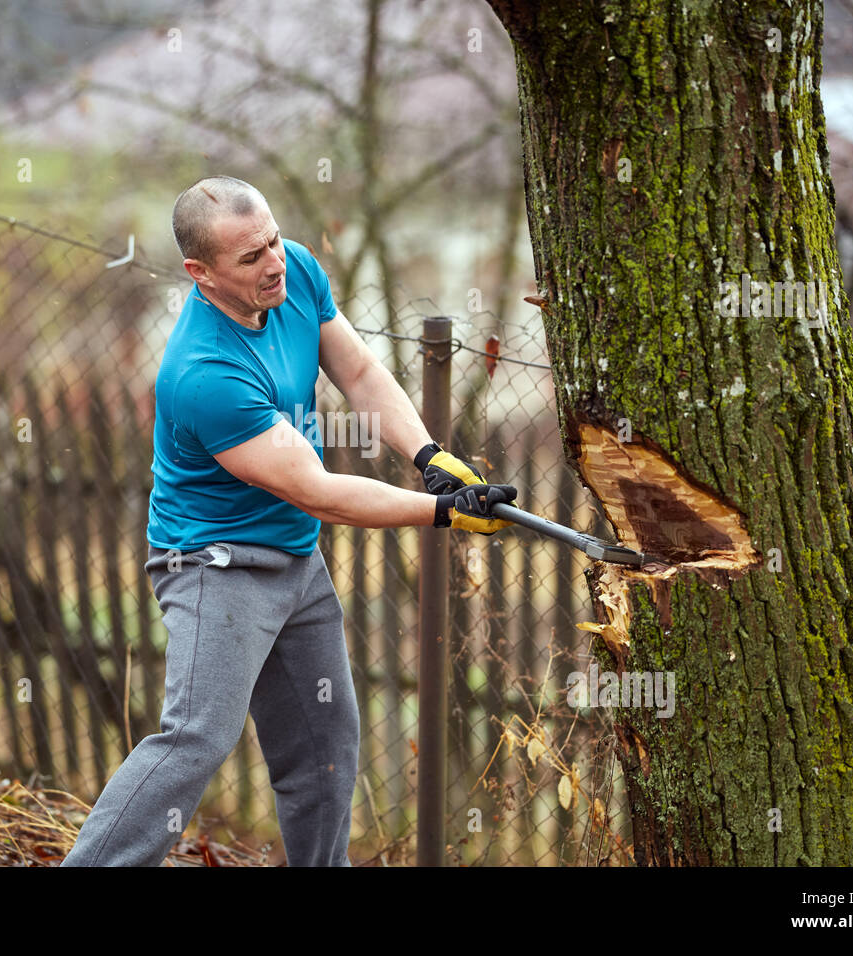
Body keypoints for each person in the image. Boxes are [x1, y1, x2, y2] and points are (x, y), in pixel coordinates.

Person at [61, 175, 517, 867]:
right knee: (196, 740)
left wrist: (429, 456)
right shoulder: (205, 371)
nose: (274, 261)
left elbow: (359, 371)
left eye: (272, 240)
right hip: (217, 567)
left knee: (325, 746)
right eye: (250, 258)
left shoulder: (295, 272)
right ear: (201, 273)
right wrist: (441, 512)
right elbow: (318, 492)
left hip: (295, 562)